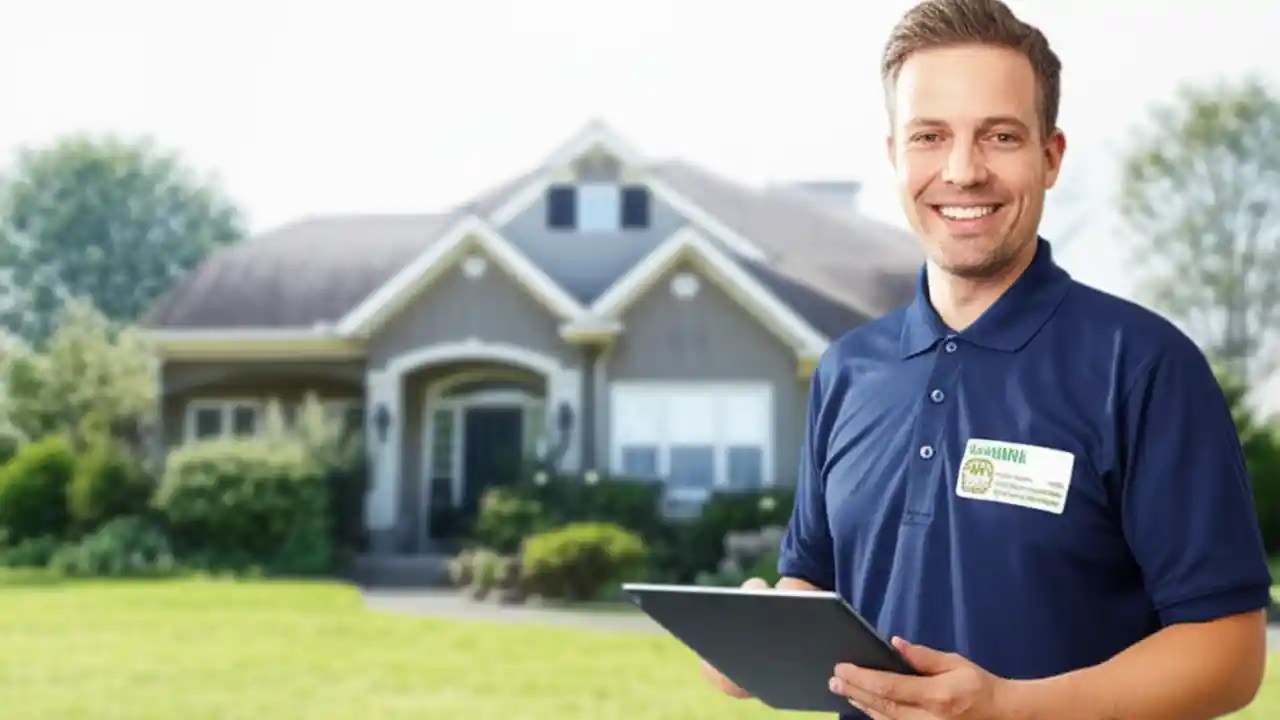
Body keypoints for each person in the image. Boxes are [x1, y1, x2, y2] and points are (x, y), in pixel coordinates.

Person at [700, 0, 1272, 718]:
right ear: (894, 157)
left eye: (1000, 136)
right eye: (930, 137)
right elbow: (815, 582)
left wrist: (1009, 706)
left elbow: (1229, 654)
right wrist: (759, 631)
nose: (963, 171)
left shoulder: (1145, 366)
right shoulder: (847, 372)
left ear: (1051, 156)